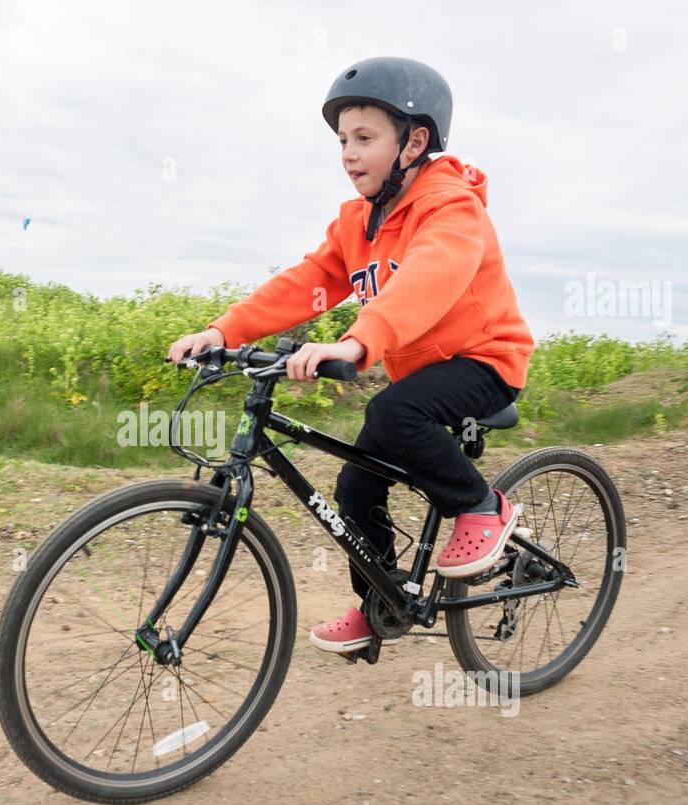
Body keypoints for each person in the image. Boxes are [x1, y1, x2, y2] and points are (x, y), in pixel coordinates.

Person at [166, 56, 536, 655]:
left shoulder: (452, 208)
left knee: (391, 412)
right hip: (418, 373)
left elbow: (430, 276)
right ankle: (382, 601)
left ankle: (482, 507)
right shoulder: (357, 223)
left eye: (365, 138)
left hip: (485, 363)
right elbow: (309, 279)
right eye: (343, 140)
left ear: (414, 141)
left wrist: (357, 342)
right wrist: (223, 331)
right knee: (354, 490)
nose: (348, 153)